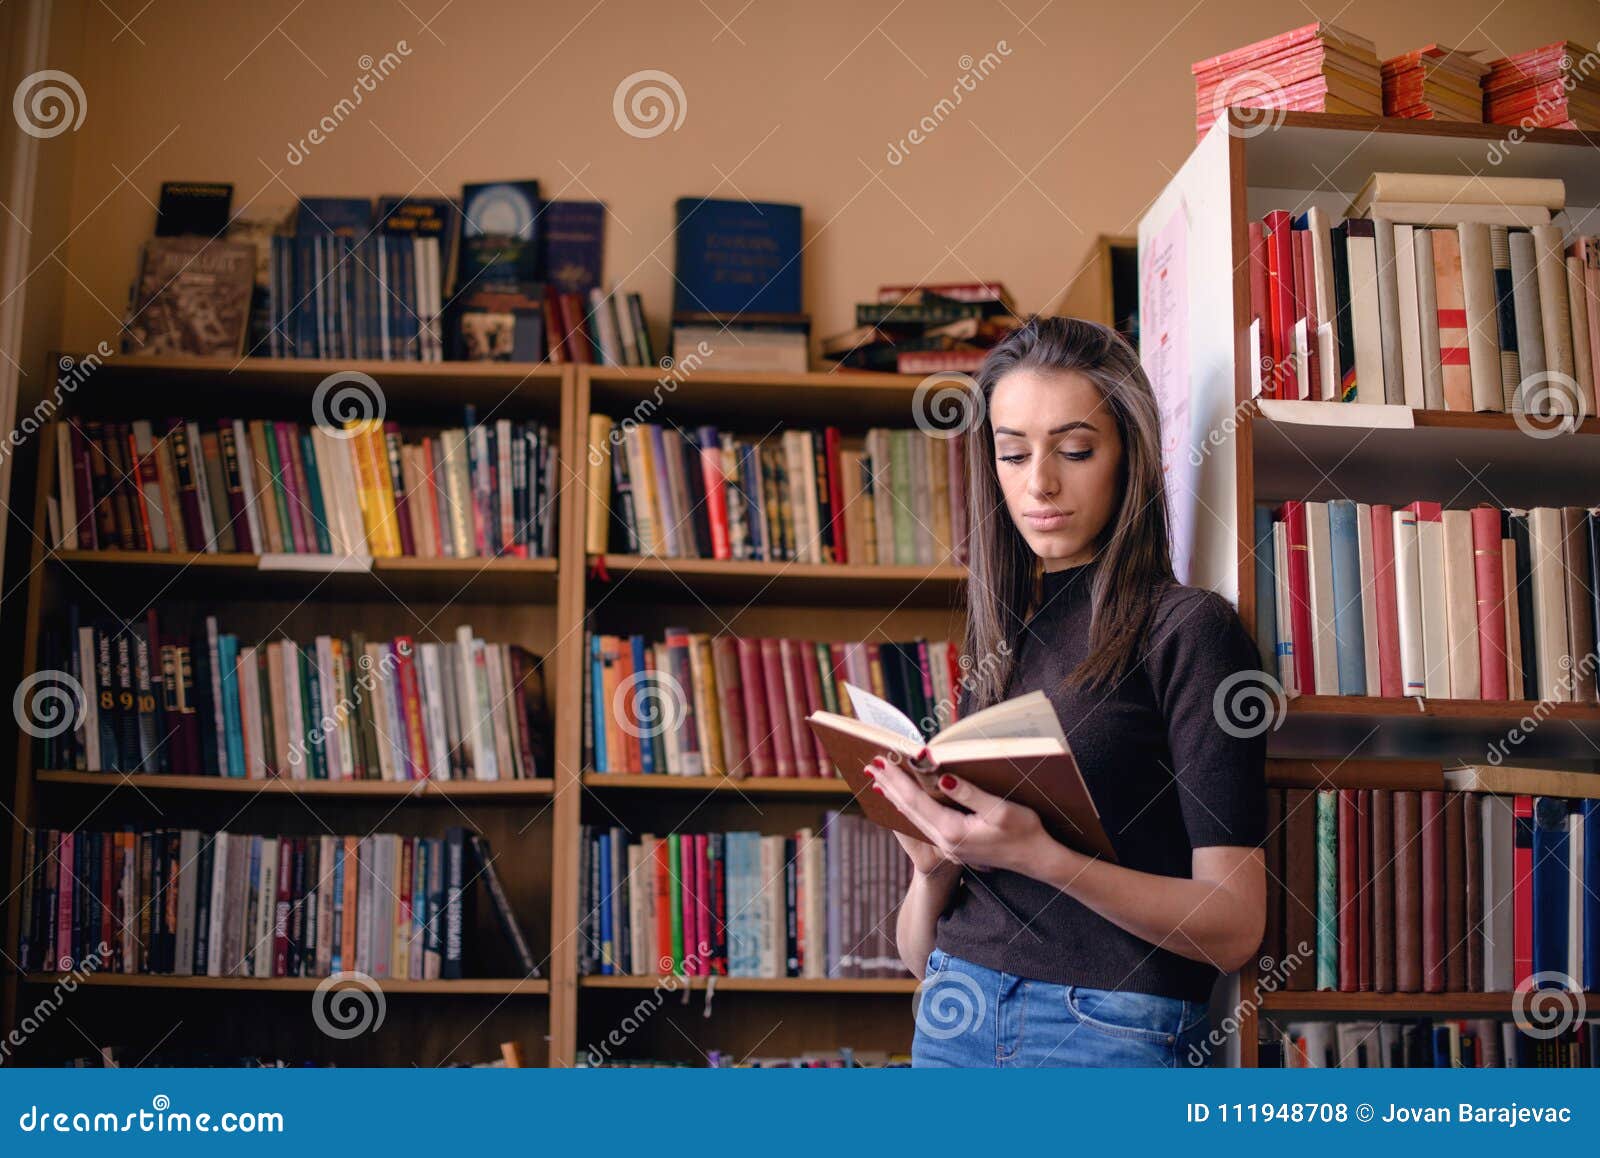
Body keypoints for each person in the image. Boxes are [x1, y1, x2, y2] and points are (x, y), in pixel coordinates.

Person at [868, 315, 1267, 1067]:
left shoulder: (1190, 631)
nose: (1040, 483)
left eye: (1075, 450)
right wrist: (933, 866)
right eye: (1013, 453)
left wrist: (1043, 858)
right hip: (953, 1013)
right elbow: (920, 955)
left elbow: (1236, 926)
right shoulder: (1000, 639)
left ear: (1128, 457)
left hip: (1104, 1029)